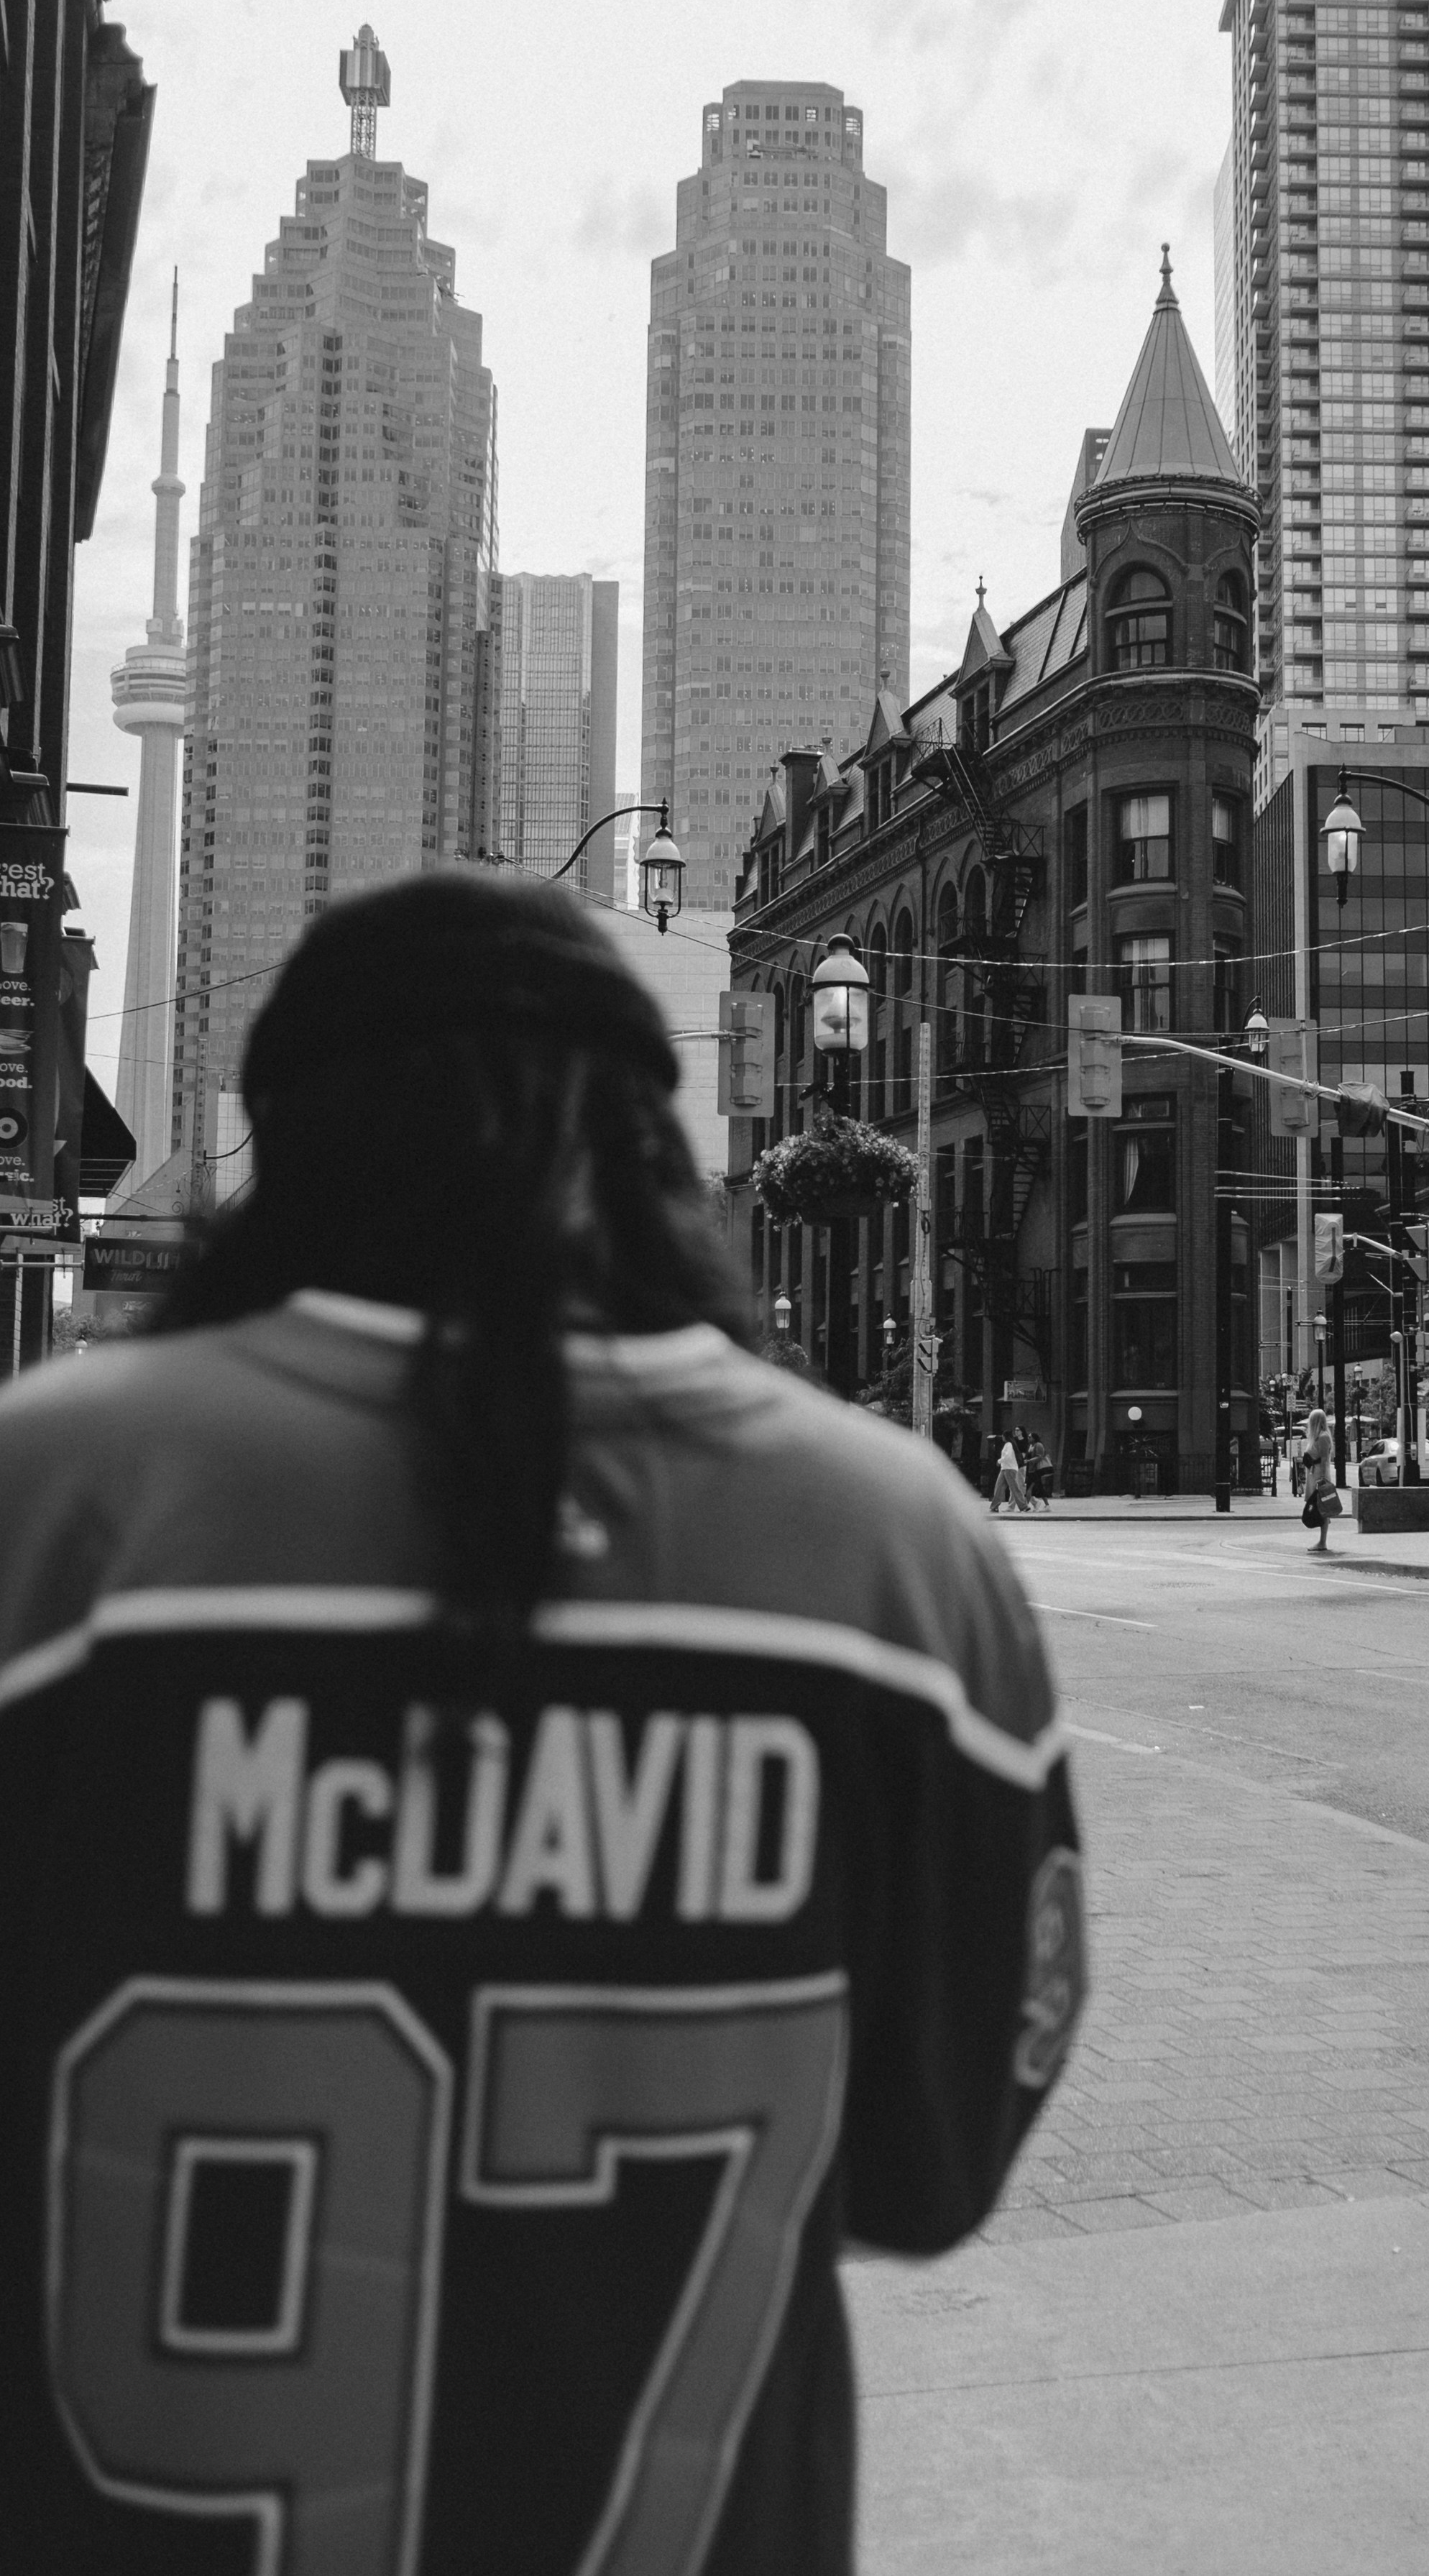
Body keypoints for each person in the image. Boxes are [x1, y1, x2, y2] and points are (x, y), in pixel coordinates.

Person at [0, 874, 1083, 2575]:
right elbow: (932, 2164)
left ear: (280, 1140)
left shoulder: (52, 1504)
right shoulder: (898, 1547)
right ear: (651, 1150)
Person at [1303, 1403, 1338, 1554]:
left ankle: (1322, 1541)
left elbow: (1325, 1460)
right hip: (1314, 1474)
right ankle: (1322, 1540)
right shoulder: (1317, 1437)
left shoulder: (1323, 1437)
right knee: (1319, 1507)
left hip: (1319, 1475)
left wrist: (1322, 1479)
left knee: (1322, 1507)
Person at [991, 1427, 1026, 1513]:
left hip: (1009, 1469)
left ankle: (1023, 1506)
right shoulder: (1009, 1444)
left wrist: (999, 1461)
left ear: (1005, 1437)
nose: (1002, 1438)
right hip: (1005, 1468)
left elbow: (1008, 1456)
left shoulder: (1009, 1444)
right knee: (999, 1488)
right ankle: (994, 1506)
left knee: (1014, 1488)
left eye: (1003, 1436)